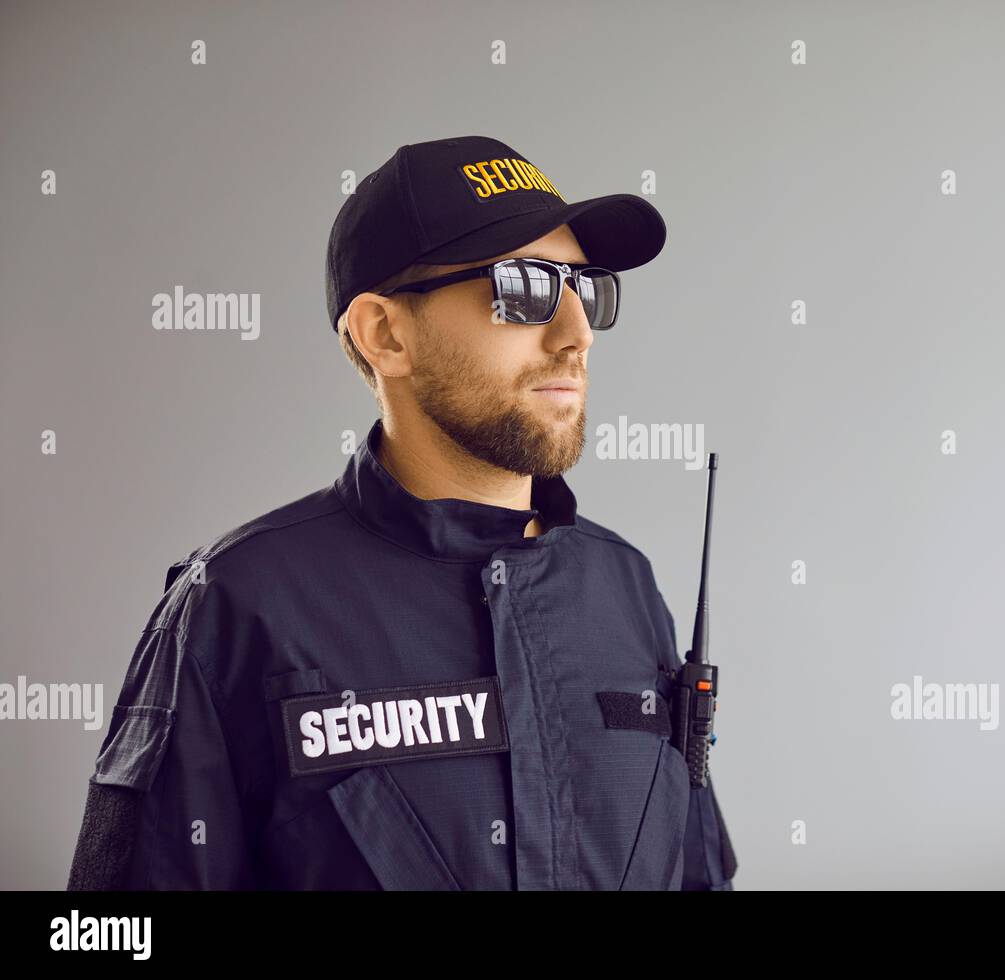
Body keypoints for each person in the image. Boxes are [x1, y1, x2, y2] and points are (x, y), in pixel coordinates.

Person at [65, 135, 737, 891]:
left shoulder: (626, 586)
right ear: (385, 334)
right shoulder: (237, 606)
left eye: (583, 288)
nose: (576, 333)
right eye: (524, 288)